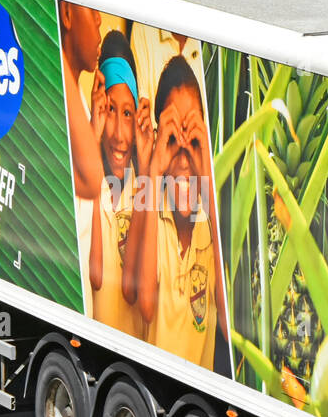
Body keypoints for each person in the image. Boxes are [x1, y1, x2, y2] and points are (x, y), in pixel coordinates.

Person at [130, 55, 227, 370]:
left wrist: (206, 172)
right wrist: (156, 164)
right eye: (173, 139)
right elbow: (146, 304)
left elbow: (228, 323)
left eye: (194, 141)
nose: (184, 156)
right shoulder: (153, 220)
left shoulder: (211, 233)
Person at [88, 32, 145, 338]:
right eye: (111, 110)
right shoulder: (88, 184)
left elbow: (135, 288)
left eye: (128, 113)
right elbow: (95, 274)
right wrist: (92, 137)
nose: (121, 135)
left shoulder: (145, 189)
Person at [60, 0, 105, 315]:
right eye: (92, 9)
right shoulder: (59, 84)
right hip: (67, 294)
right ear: (65, 13)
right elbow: (90, 180)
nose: (100, 19)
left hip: (79, 298)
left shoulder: (77, 99)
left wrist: (94, 129)